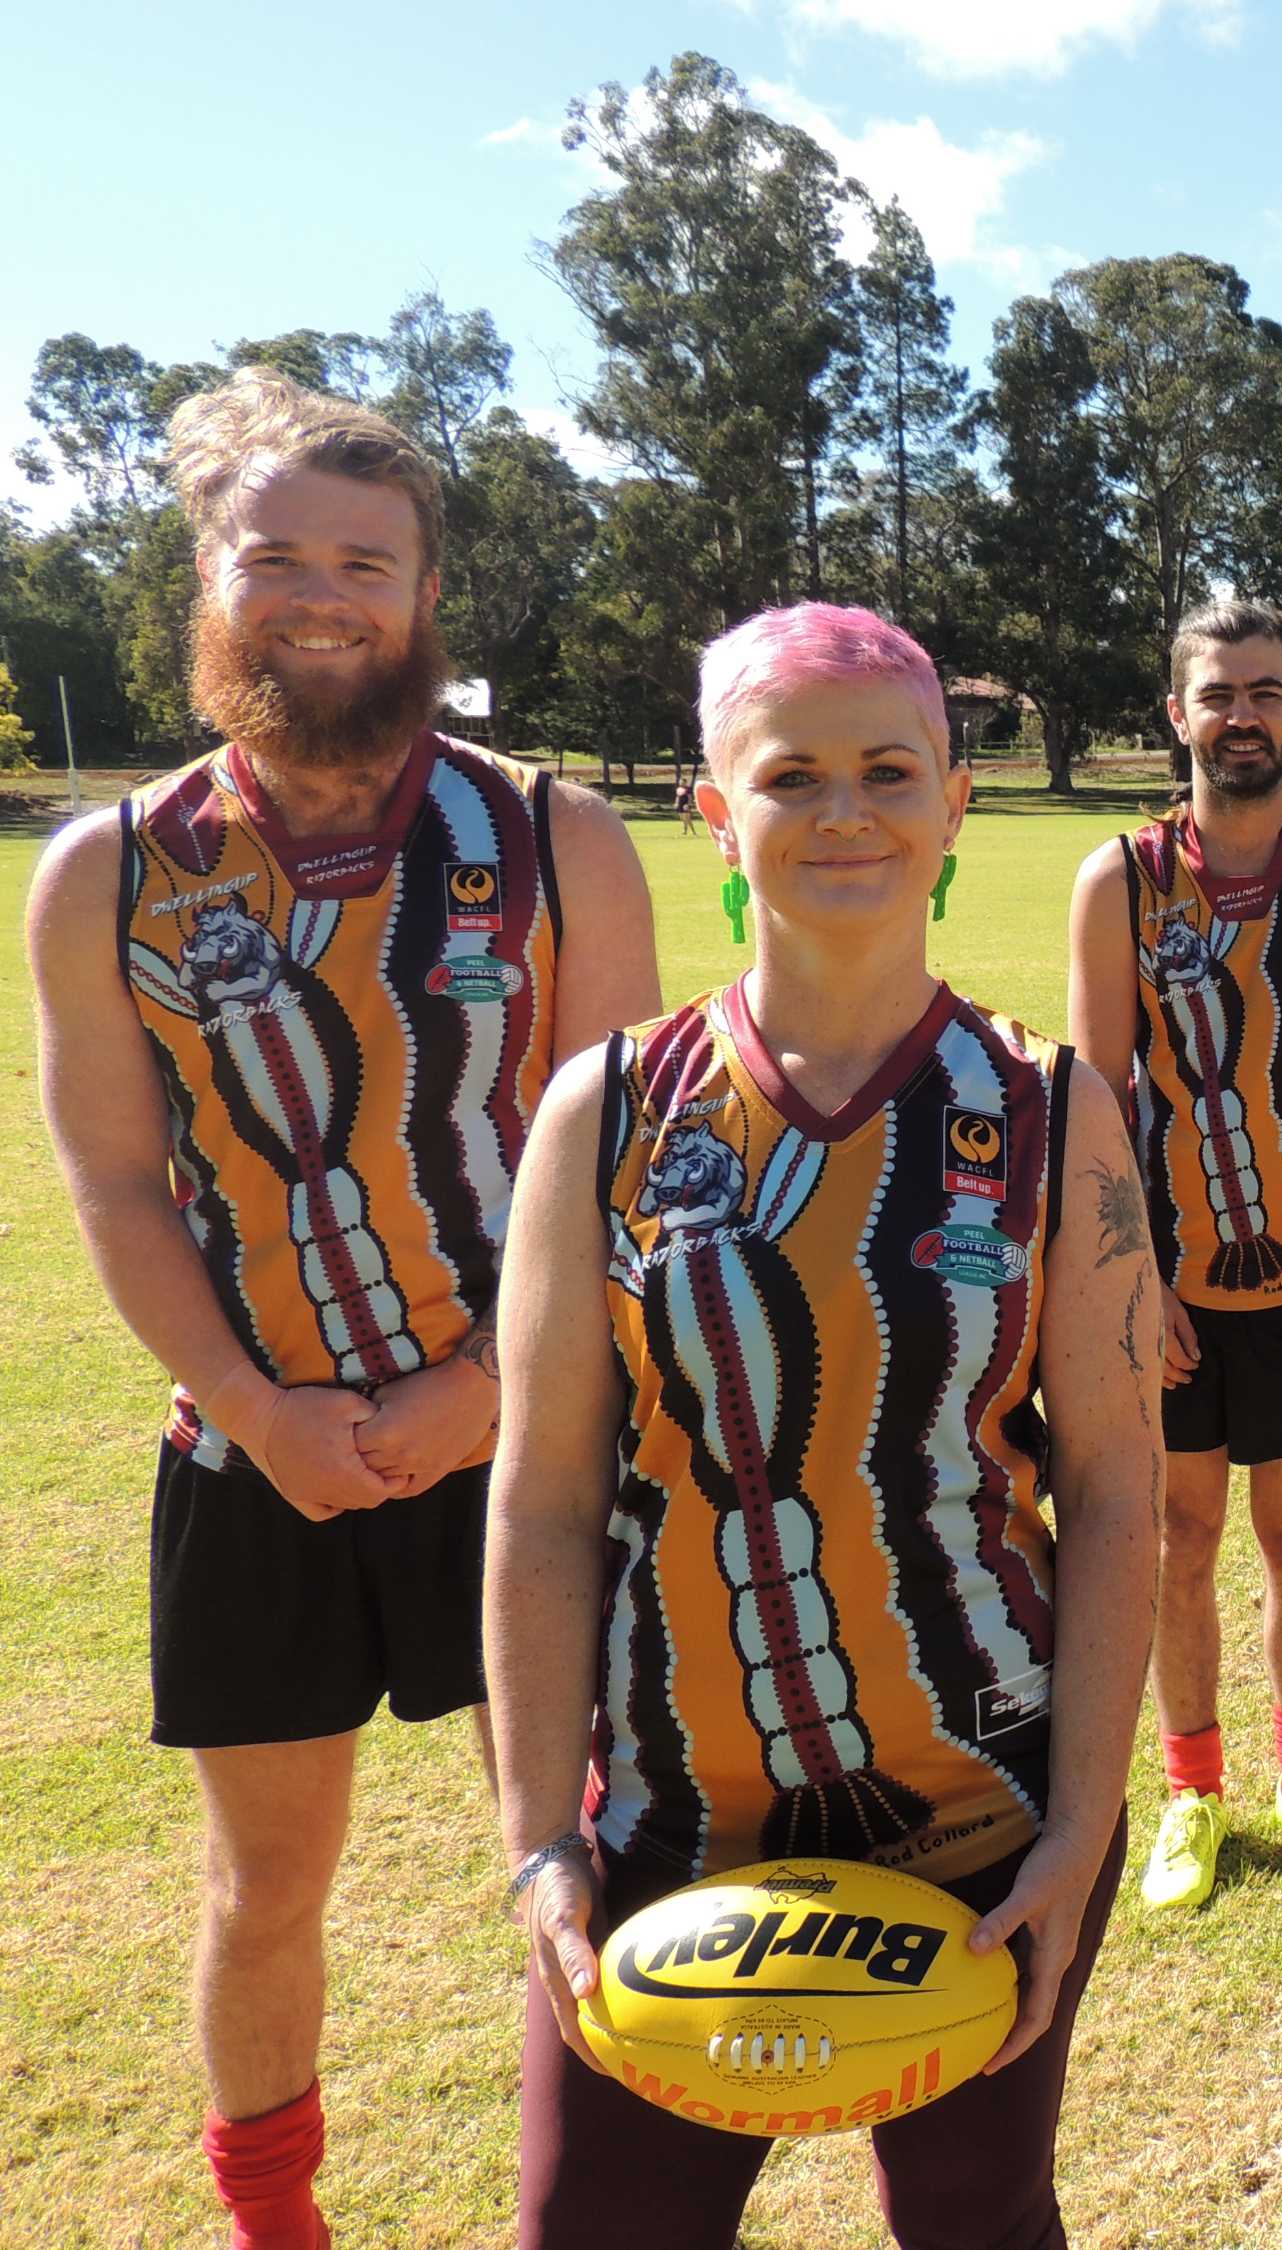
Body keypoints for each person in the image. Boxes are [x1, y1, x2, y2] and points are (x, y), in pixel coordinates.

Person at [23, 367, 656, 2250]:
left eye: (364, 562)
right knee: (264, 1882)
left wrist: (490, 1386)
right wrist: (260, 1403)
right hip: (255, 1451)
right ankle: (273, 2225)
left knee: (584, 1851)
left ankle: (610, 2203)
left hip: (524, 1447)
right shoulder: (107, 875)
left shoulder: (556, 837)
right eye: (273, 552)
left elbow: (632, 1154)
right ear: (205, 575)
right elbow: (119, 1187)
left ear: (426, 594)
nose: (320, 594)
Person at [487, 604, 1162, 2249]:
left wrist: (1078, 1826)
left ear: (955, 805)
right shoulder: (607, 1110)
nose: (846, 809)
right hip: (662, 1823)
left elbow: (1118, 1495)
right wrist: (533, 1847)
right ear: (714, 811)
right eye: (791, 774)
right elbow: (542, 1501)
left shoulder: (1057, 1112)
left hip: (982, 1815)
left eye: (889, 768)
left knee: (979, 2224)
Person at [1066, 597, 1282, 1910]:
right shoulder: (1123, 880)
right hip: (1172, 1301)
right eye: (1219, 693)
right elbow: (1094, 1105)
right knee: (1177, 1535)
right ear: (1180, 713)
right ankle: (1193, 1793)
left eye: (1267, 691)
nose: (1244, 714)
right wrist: (1129, 1280)